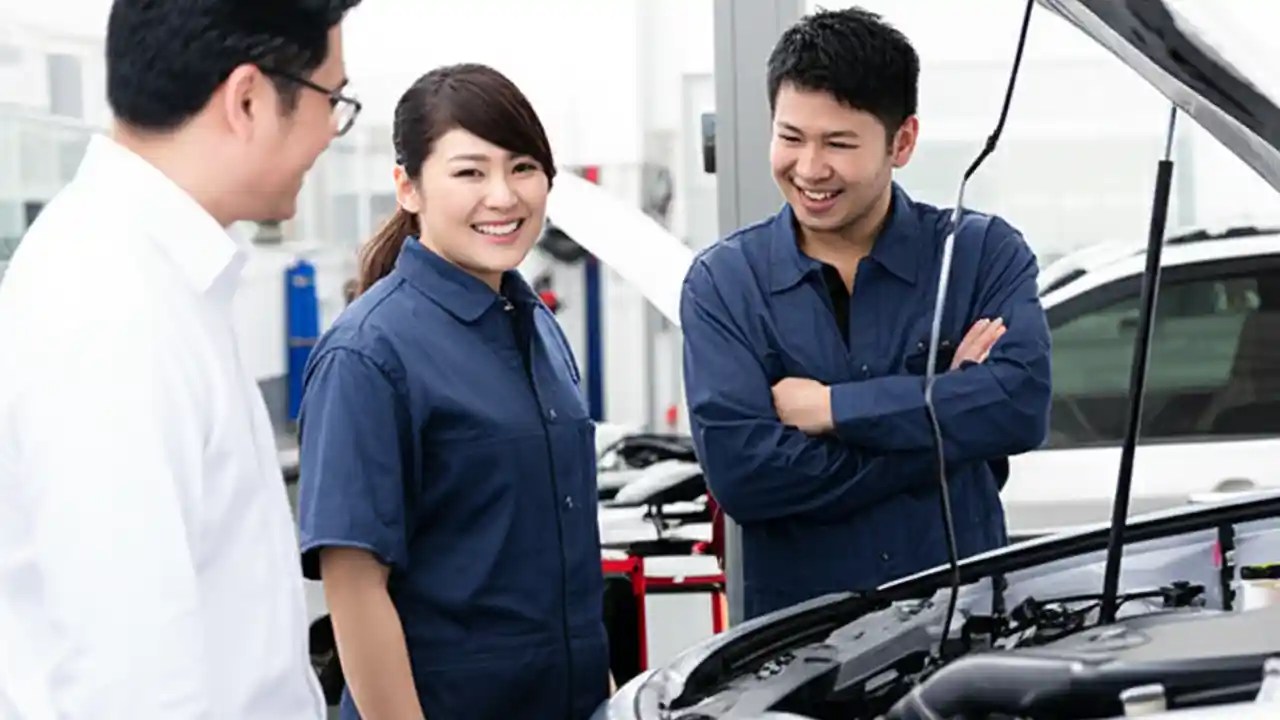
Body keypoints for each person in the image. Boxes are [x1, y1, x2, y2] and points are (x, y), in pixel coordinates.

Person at [0, 1, 363, 717]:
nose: (331, 132)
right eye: (334, 99)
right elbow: (128, 685)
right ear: (248, 99)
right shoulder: (108, 306)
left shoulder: (161, 275)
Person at [680, 6, 1052, 620]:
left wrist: (830, 409)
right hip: (797, 655)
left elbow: (1019, 406)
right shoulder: (723, 285)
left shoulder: (981, 254)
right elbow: (746, 477)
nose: (809, 169)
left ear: (902, 141)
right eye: (791, 137)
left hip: (963, 635)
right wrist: (949, 420)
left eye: (839, 143)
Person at [296, 63, 610, 720]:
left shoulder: (541, 333)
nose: (503, 196)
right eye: (470, 172)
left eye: (523, 167)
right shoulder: (368, 354)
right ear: (408, 188)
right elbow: (354, 591)